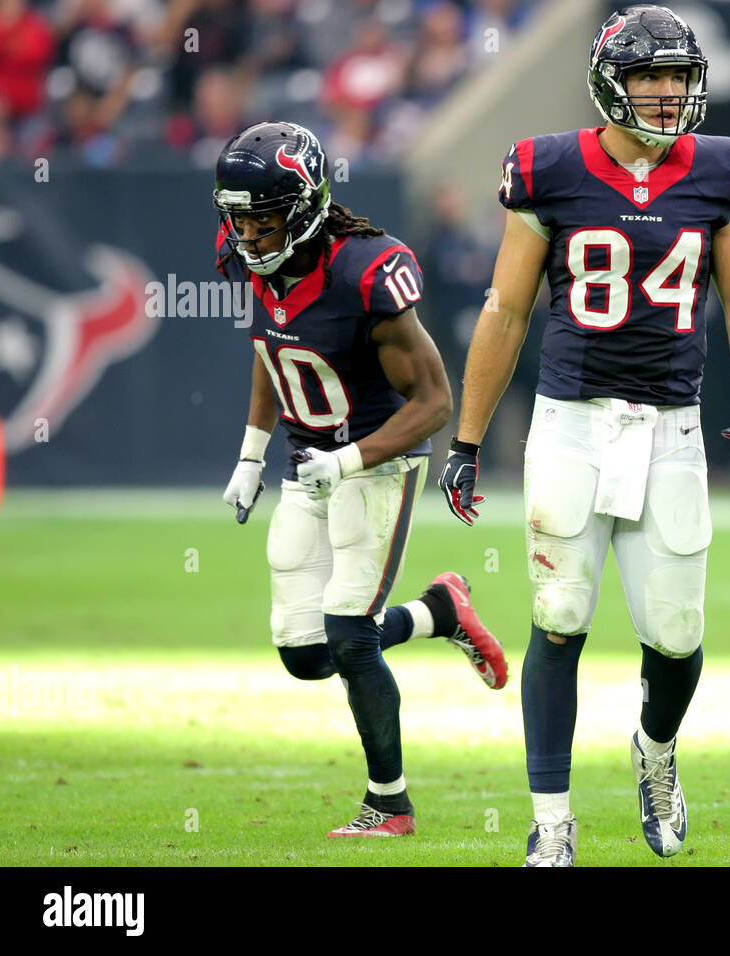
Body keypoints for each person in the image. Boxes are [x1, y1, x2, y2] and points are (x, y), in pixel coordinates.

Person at [437, 4, 730, 866]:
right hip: (570, 425)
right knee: (558, 617)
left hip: (671, 426)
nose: (667, 95)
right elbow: (508, 309)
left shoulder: (721, 172)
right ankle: (552, 821)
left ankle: (655, 753)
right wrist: (469, 440)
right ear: (608, 82)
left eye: (678, 78)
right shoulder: (549, 168)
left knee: (677, 634)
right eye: (649, 77)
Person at [214, 120, 508, 839]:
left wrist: (345, 462)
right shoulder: (258, 261)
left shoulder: (363, 271)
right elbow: (271, 346)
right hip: (306, 462)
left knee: (349, 636)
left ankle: (390, 805)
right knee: (304, 653)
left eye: (264, 218)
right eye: (241, 219)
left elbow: (434, 403)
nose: (249, 235)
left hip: (378, 462)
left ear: (308, 205)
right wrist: (252, 455)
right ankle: (440, 610)